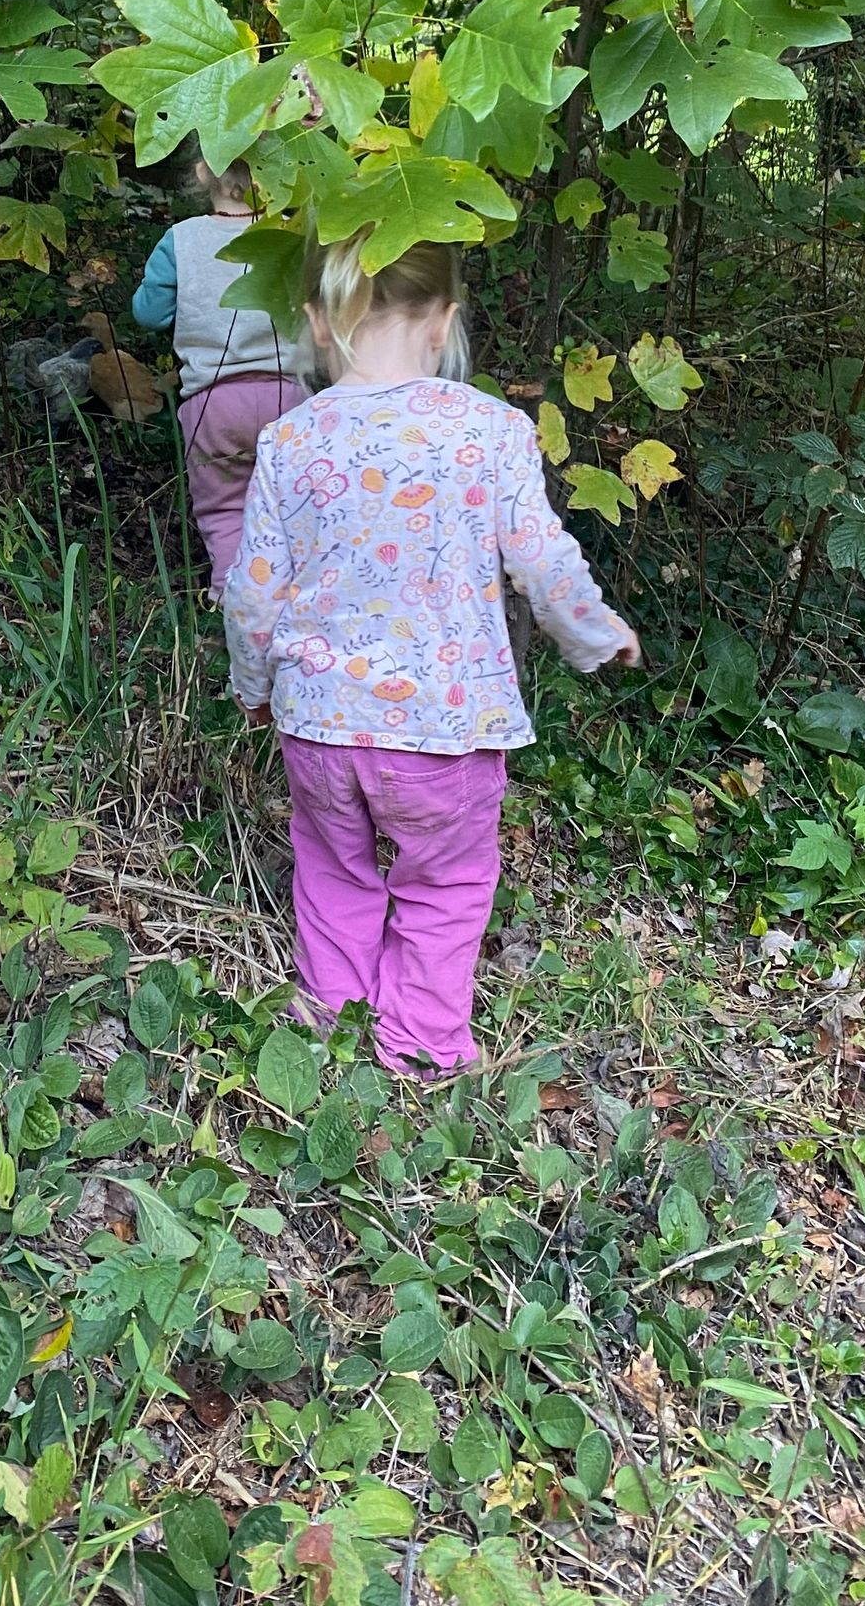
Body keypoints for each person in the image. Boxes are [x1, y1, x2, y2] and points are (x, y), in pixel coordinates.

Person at [223, 234, 639, 1080]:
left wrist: (254, 686)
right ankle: (417, 1042)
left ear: (317, 321)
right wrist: (598, 635)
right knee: (445, 887)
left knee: (331, 865)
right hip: (445, 730)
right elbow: (542, 559)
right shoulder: (489, 430)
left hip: (321, 725)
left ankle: (332, 1022)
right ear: (446, 319)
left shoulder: (291, 440)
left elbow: (253, 593)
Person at [132, 158, 311, 589]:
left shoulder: (181, 239)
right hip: (288, 397)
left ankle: (234, 598)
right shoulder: (292, 231)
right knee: (294, 507)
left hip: (213, 403)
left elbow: (149, 314)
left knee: (224, 509)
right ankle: (300, 598)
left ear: (200, 172)